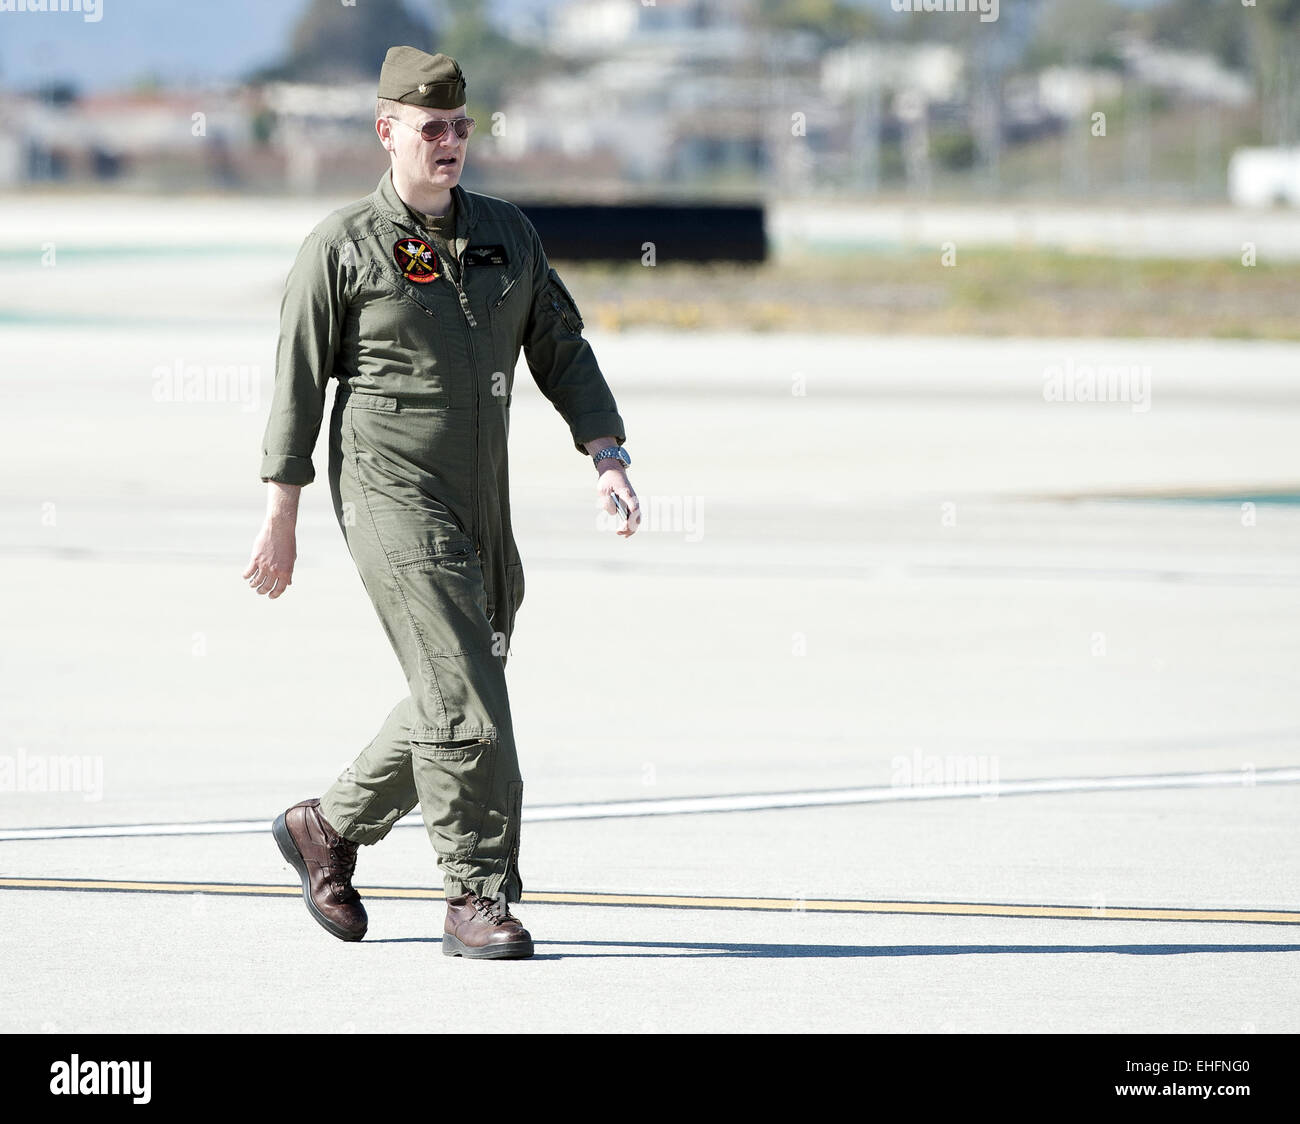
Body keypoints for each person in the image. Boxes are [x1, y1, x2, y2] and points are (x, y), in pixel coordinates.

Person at [244, 46, 638, 960]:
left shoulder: (508, 234)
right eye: (432, 128)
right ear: (388, 132)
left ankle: (327, 828)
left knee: (454, 687)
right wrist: (282, 516)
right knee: (466, 696)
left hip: (481, 500)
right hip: (387, 490)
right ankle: (475, 893)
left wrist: (605, 455)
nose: (451, 141)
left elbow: (563, 349)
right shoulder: (341, 246)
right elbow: (296, 389)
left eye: (462, 126)